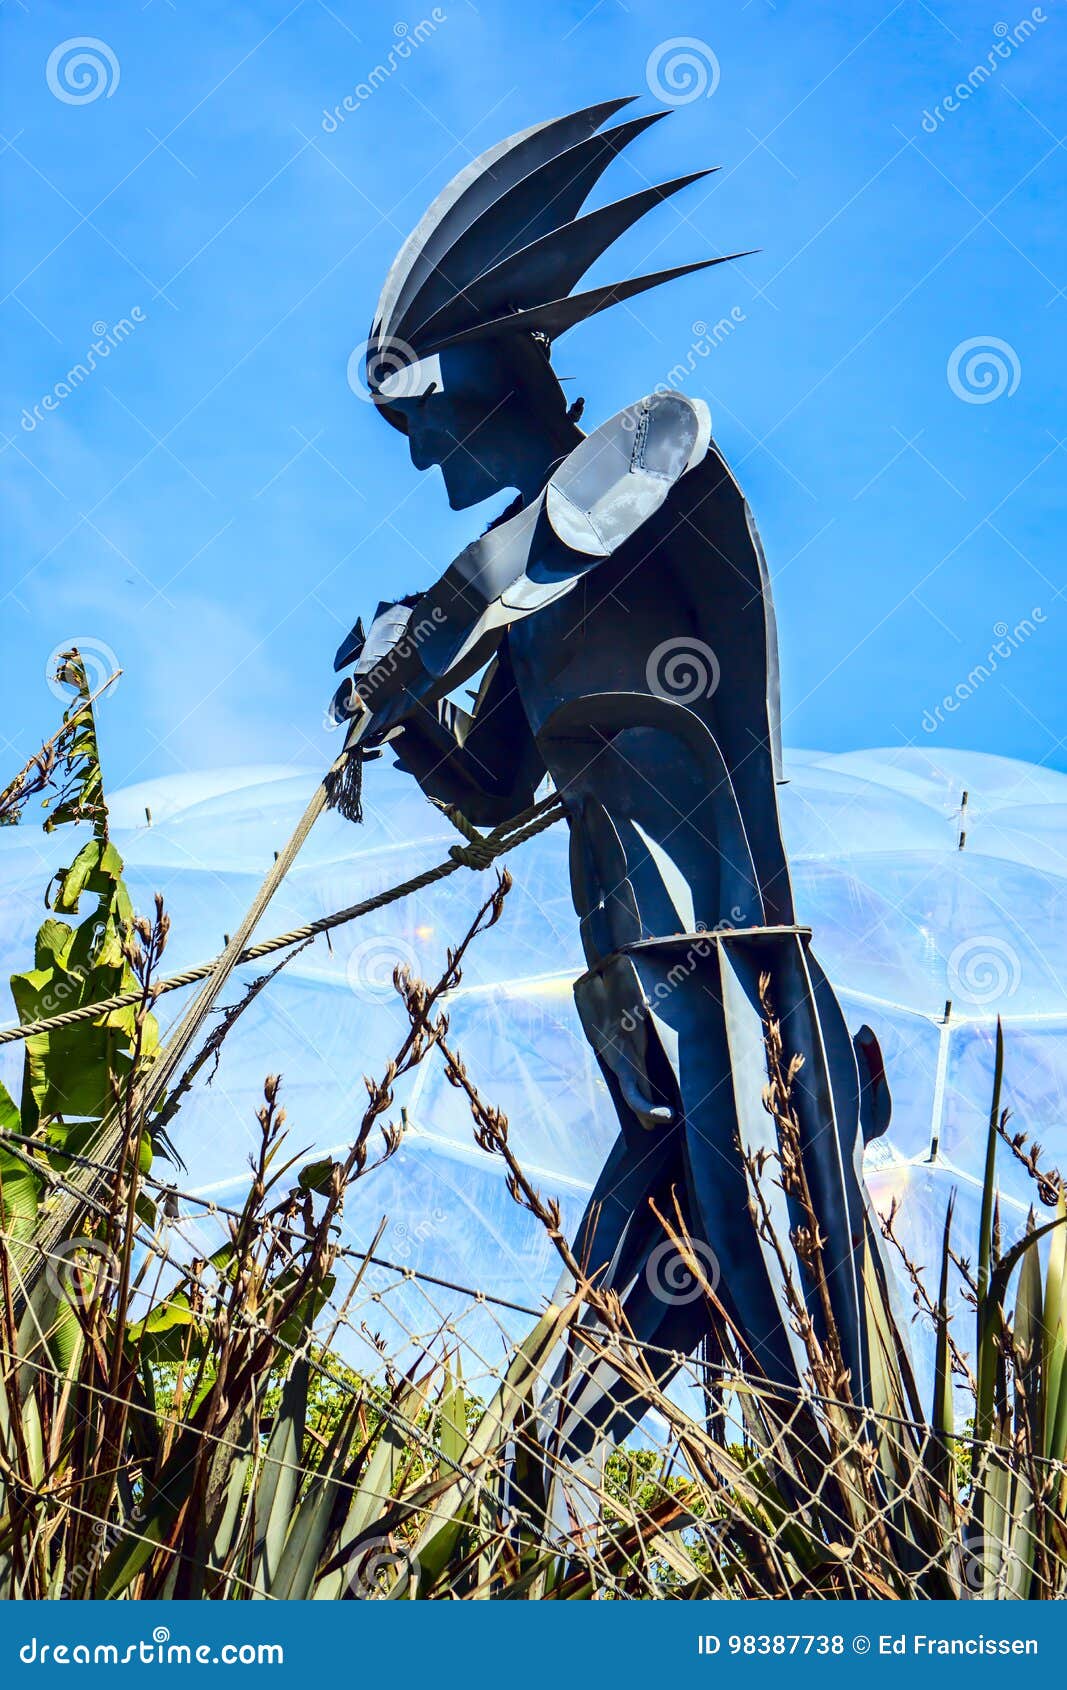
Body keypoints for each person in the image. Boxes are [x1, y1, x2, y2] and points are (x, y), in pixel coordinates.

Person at [330, 100, 893, 1444]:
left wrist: (429, 631)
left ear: (494, 369)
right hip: (643, 1021)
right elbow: (492, 789)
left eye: (424, 411)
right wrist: (399, 715)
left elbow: (548, 543)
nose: (424, 454)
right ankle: (558, 1516)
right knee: (607, 1342)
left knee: (793, 1311)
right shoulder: (519, 617)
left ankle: (870, 1535)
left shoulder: (652, 450)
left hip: (738, 971)